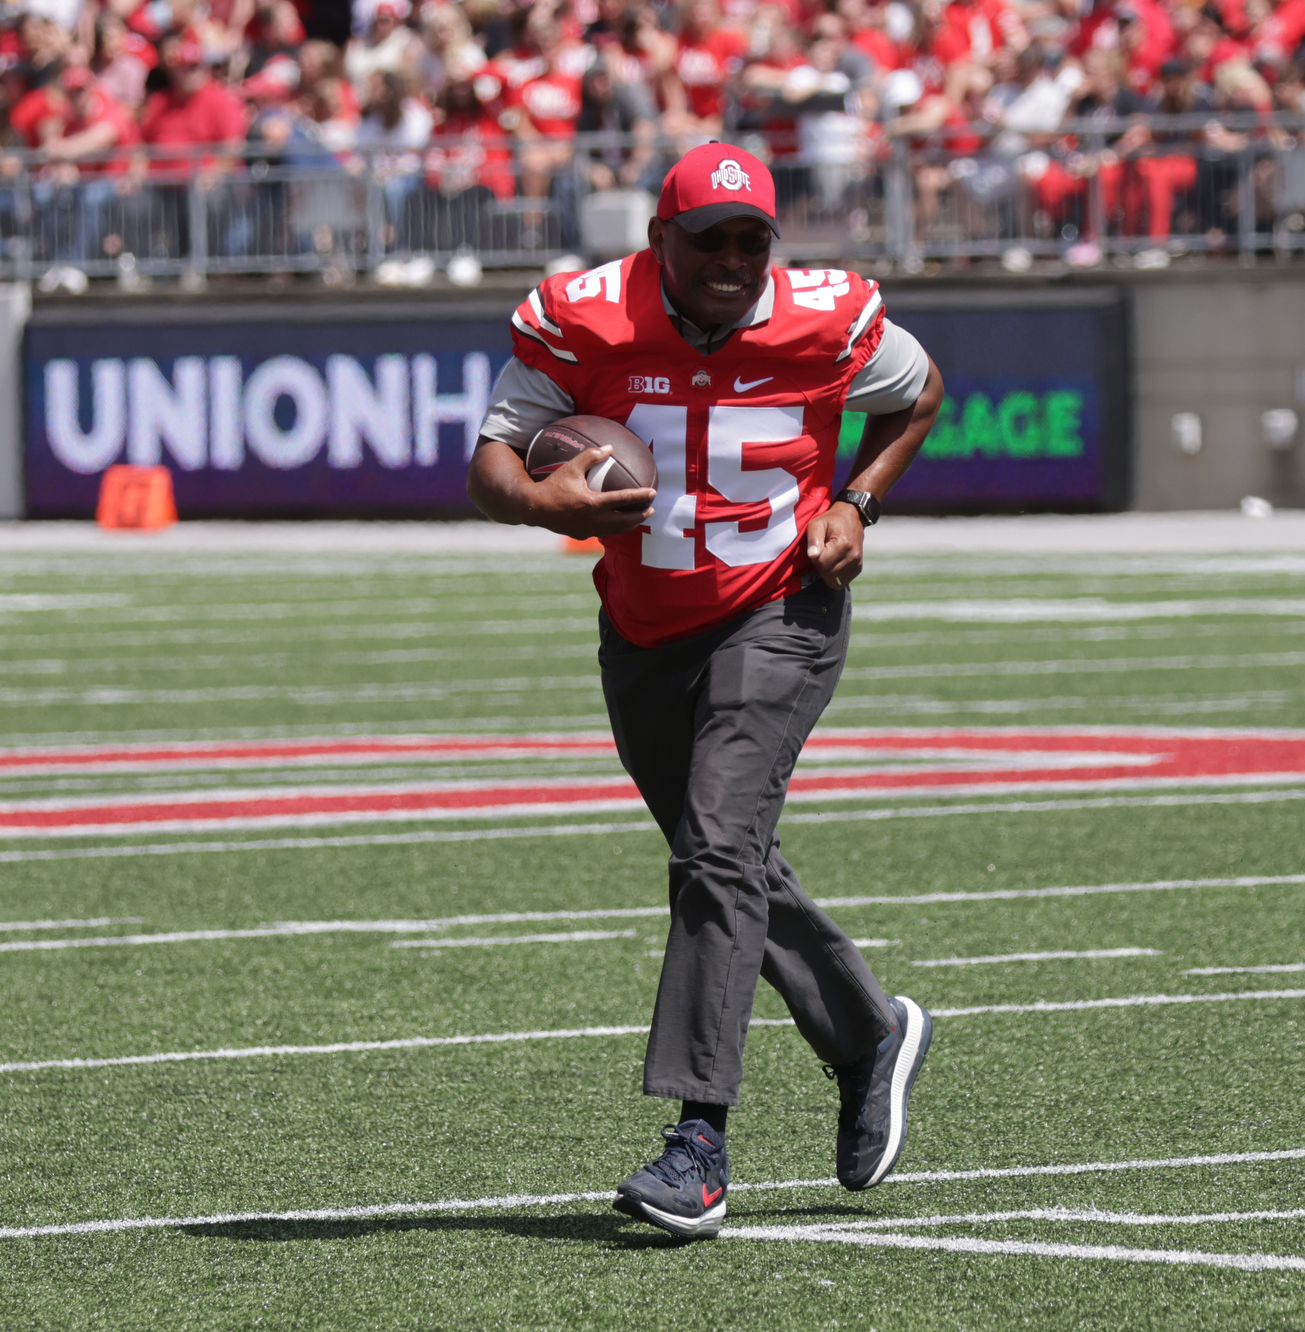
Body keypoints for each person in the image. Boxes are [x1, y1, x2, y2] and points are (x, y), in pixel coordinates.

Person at [465, 143, 944, 1240]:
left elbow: (918, 394)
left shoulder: (824, 318)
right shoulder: (586, 317)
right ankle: (868, 1033)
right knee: (724, 856)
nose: (732, 260)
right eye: (708, 240)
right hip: (645, 628)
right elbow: (491, 461)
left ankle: (698, 1144)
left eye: (750, 240)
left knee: (717, 849)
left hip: (782, 607)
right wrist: (543, 505)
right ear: (658, 240)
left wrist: (857, 504)